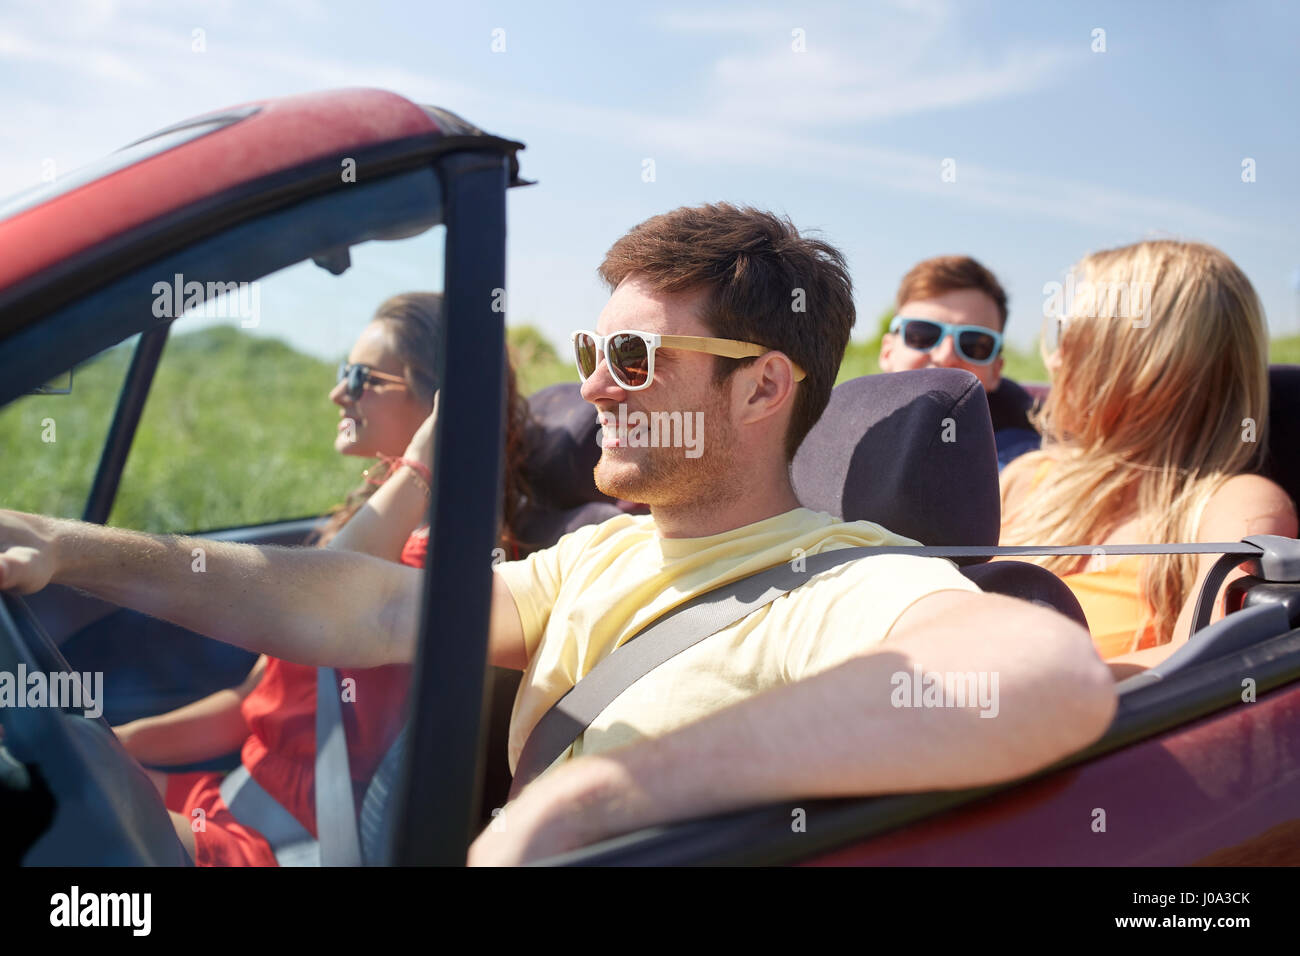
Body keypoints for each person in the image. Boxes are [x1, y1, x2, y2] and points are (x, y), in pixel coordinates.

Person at [0, 204, 1116, 866]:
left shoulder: (839, 577)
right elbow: (367, 604)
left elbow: (1046, 675)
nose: (592, 387)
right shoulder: (608, 551)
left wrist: (592, 797)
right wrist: (76, 547)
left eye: (634, 360)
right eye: (596, 349)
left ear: (763, 387)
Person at [114, 292, 532, 865]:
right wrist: (121, 744)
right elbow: (248, 704)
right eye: (343, 371)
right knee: (60, 782)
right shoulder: (373, 532)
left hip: (290, 842)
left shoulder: (444, 571)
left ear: (440, 404)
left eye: (361, 377)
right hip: (233, 797)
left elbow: (320, 596)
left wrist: (422, 463)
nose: (339, 391)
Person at [999, 240, 1298, 674]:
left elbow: (1205, 664)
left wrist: (1009, 694)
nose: (1055, 358)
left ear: (1138, 366)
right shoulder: (1027, 478)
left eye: (1071, 337)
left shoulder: (1233, 505)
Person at [879, 255, 1040, 469]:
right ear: (887, 352)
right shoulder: (836, 433)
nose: (946, 356)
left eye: (974, 344)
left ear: (996, 370)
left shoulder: (1022, 468)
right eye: (923, 334)